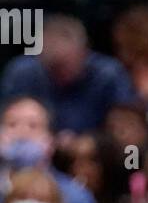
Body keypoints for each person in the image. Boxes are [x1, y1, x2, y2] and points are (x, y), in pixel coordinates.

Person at [0, 14, 133, 135]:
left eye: (65, 66)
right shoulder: (23, 72)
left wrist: (93, 143)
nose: (62, 76)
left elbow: (126, 130)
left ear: (84, 53)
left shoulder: (108, 74)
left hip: (96, 153)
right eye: (54, 69)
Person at [0, 96, 97, 203]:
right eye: (12, 124)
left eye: (33, 126)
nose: (22, 132)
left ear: (49, 141)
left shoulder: (74, 195)